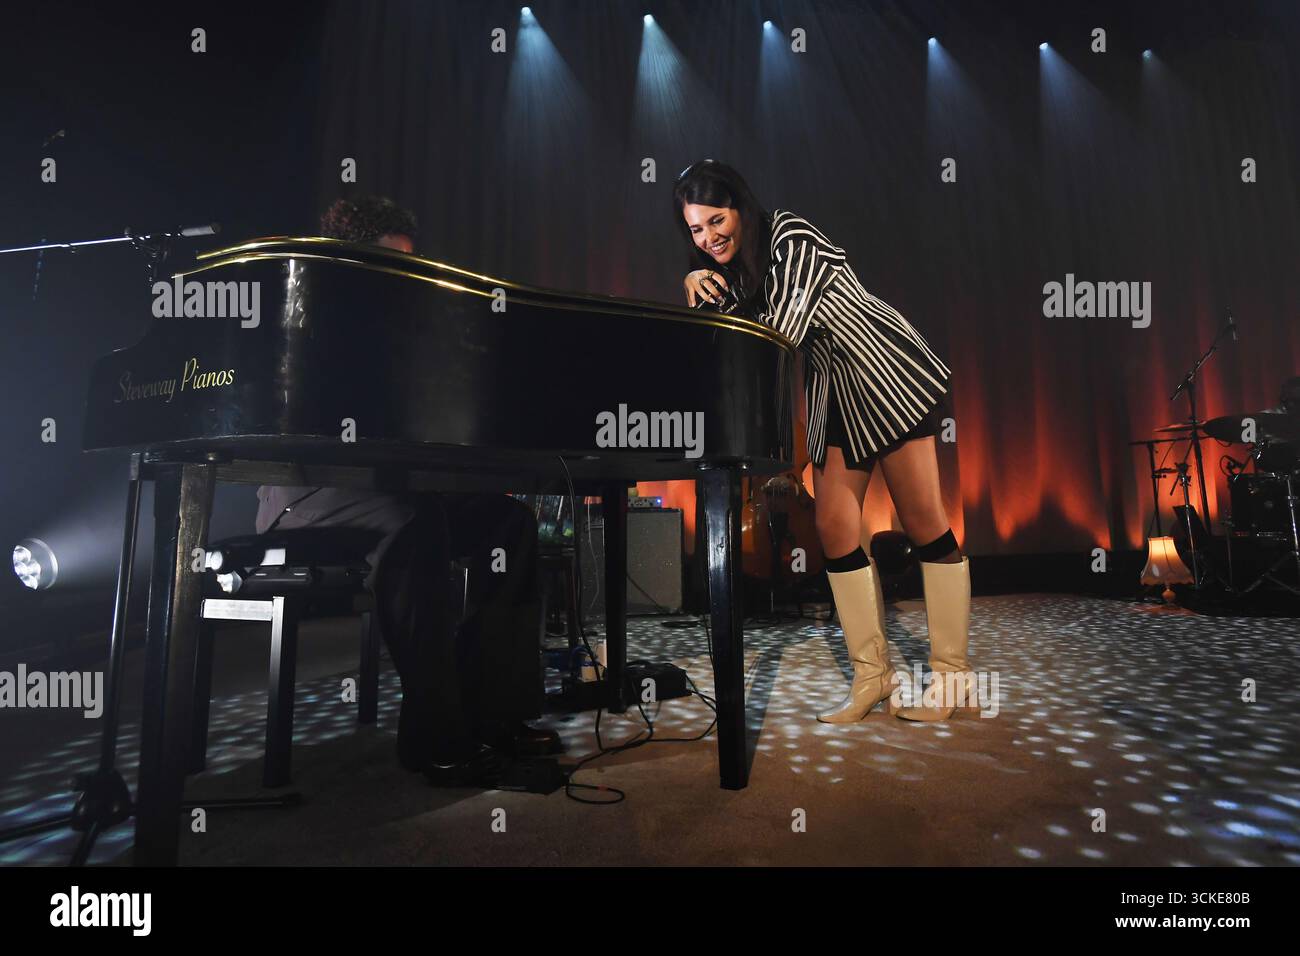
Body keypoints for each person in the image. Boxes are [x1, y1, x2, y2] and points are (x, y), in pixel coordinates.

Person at [256, 196, 560, 779]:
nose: (404, 281)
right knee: (415, 526)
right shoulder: (308, 313)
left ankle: (495, 715)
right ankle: (436, 737)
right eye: (392, 266)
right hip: (306, 492)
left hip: (387, 488)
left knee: (510, 525)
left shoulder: (397, 330)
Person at [673, 160, 976, 722]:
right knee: (835, 528)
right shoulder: (741, 270)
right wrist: (698, 288)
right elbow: (740, 339)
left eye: (717, 220)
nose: (709, 237)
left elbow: (777, 336)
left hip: (886, 372)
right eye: (695, 229)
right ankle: (874, 677)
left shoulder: (791, 238)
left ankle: (954, 679)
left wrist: (725, 303)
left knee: (924, 520)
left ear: (740, 207)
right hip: (835, 387)